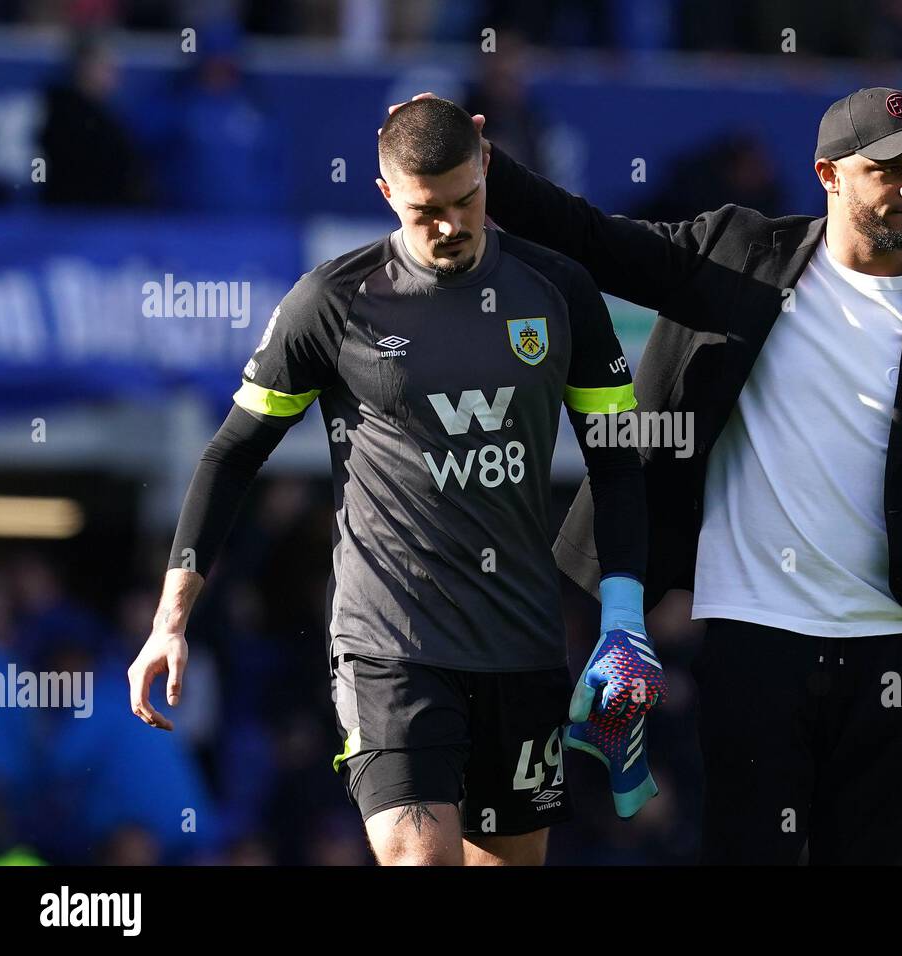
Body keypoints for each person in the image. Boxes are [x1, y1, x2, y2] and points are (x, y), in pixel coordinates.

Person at [395, 85, 902, 864]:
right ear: (829, 176)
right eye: (888, 168)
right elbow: (594, 239)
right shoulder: (741, 255)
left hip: (899, 658)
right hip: (756, 640)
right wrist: (490, 168)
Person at [128, 97, 662, 866]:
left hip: (521, 641)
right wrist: (170, 619)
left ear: (486, 164)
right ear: (385, 195)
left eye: (464, 200)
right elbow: (231, 454)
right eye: (425, 211)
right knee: (420, 857)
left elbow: (615, 457)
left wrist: (623, 618)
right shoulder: (333, 301)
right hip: (391, 643)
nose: (449, 225)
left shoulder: (559, 290)